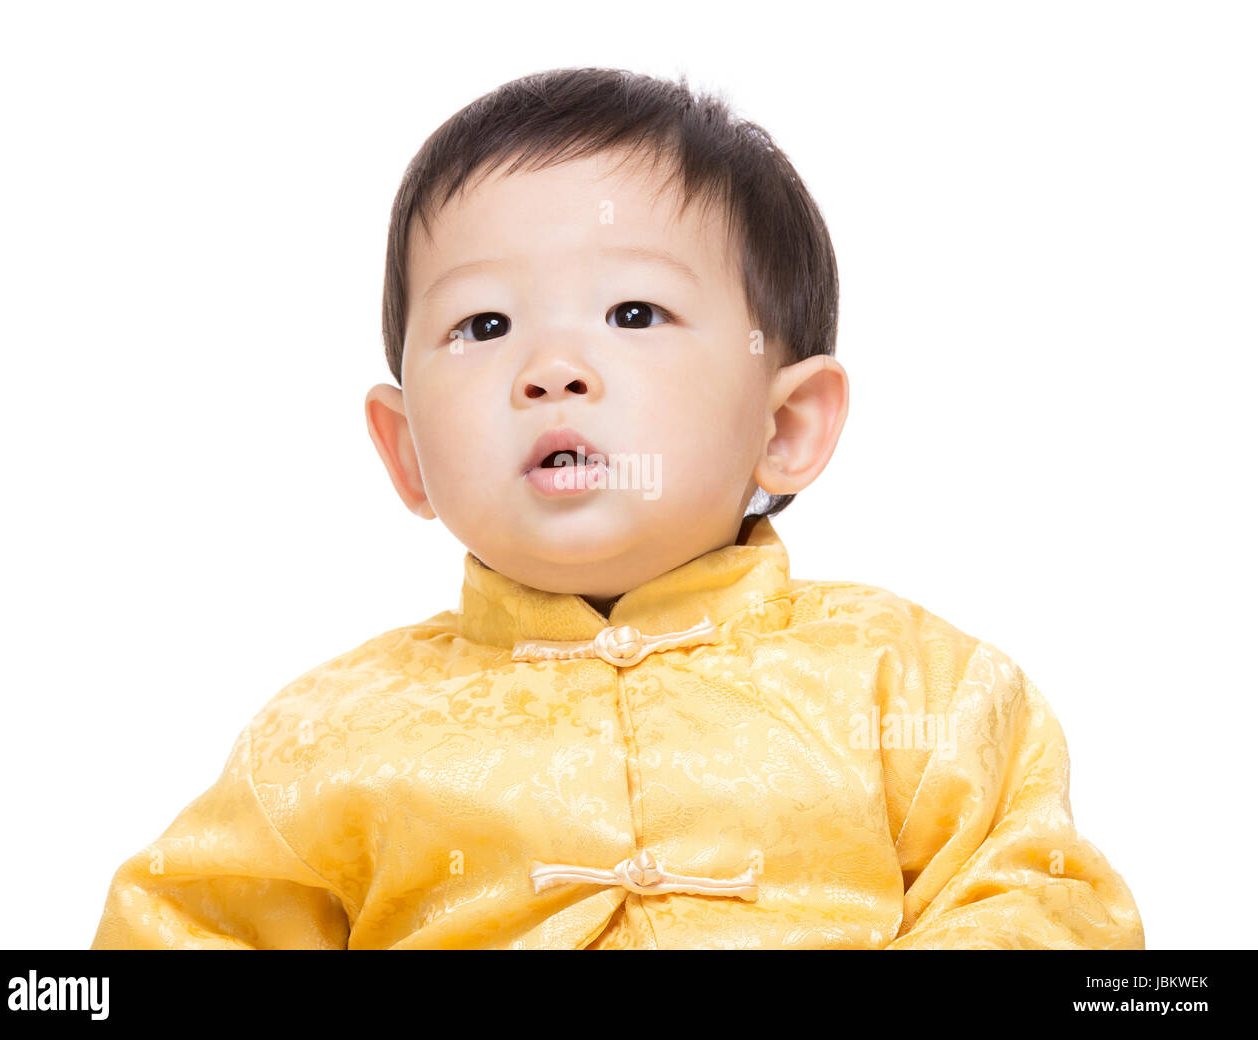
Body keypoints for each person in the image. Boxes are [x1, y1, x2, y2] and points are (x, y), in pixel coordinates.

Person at [90, 67, 1144, 949]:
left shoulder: (914, 685)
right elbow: (174, 929)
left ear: (786, 425)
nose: (550, 368)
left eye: (633, 312)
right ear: (406, 447)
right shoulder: (323, 737)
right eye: (484, 321)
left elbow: (1046, 902)